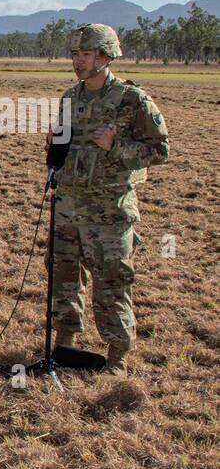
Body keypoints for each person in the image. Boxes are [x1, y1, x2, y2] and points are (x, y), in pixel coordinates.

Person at [50, 23, 169, 375]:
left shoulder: (133, 100)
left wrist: (116, 146)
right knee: (63, 277)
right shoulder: (70, 97)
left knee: (112, 283)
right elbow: (65, 146)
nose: (78, 61)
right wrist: (54, 146)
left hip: (109, 212)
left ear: (106, 56)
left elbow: (160, 150)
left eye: (86, 54)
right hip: (69, 205)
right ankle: (65, 344)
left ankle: (117, 358)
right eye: (75, 54)